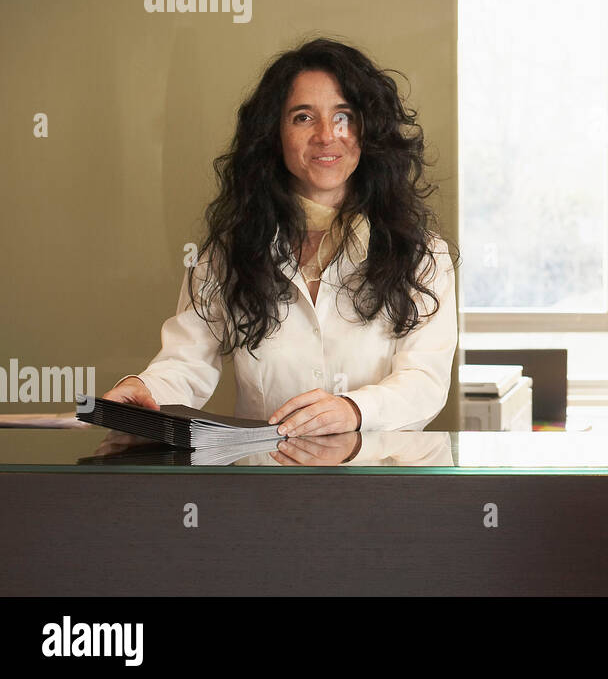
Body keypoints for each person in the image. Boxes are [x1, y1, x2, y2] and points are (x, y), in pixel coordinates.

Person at [104, 38, 459, 446]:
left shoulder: (422, 255)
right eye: (304, 117)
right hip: (263, 487)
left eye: (343, 116)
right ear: (274, 134)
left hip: (377, 484)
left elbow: (425, 381)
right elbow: (185, 364)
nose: (327, 135)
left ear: (367, 131)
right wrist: (142, 390)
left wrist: (354, 410)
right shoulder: (227, 255)